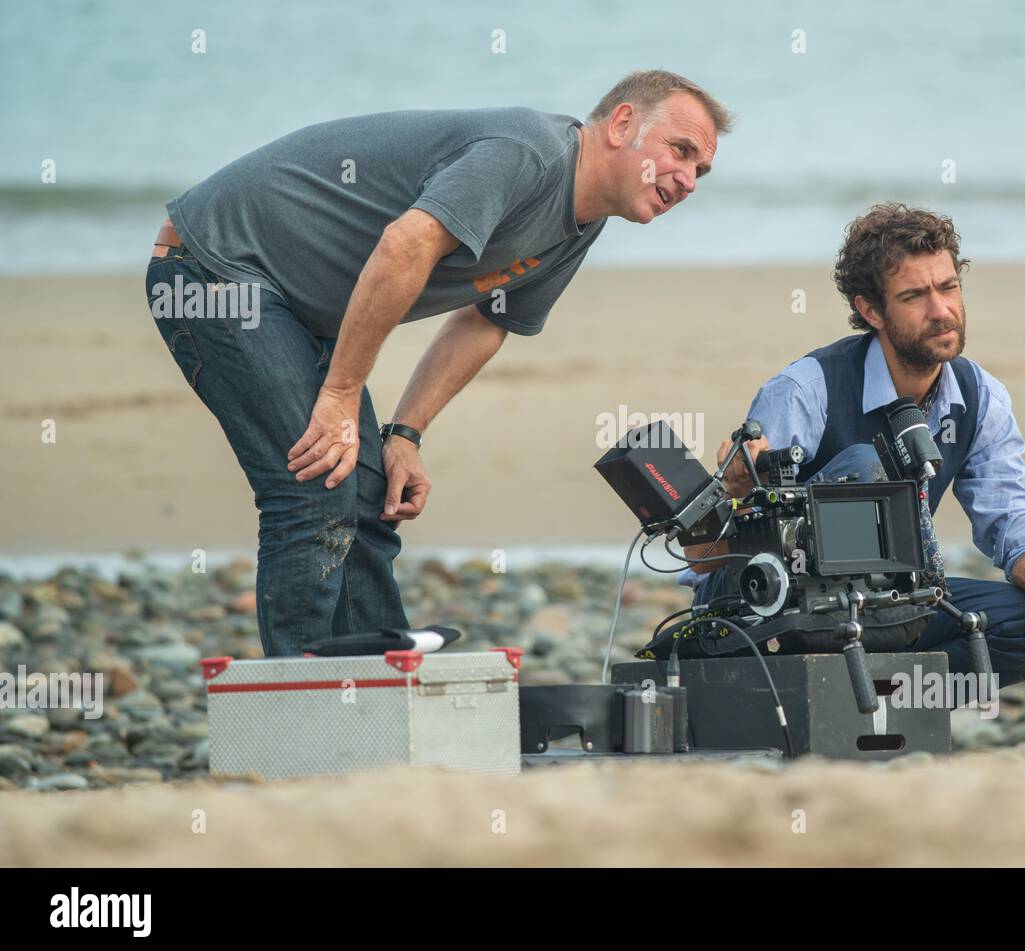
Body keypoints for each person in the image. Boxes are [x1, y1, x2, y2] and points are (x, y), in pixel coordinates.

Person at [145, 70, 732, 655]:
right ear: (623, 124)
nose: (688, 180)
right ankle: (309, 714)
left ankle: (377, 703)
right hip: (216, 265)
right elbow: (406, 243)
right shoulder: (527, 154)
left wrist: (404, 434)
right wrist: (341, 392)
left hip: (301, 307)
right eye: (680, 151)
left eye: (700, 171)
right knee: (315, 486)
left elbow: (487, 320)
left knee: (372, 498)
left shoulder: (582, 222)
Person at [683, 203, 1025, 689]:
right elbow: (704, 557)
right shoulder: (805, 390)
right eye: (915, 296)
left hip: (889, 604)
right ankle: (831, 688)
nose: (941, 312)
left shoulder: (981, 395)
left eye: (948, 287)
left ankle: (884, 699)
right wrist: (732, 492)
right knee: (863, 466)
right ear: (871, 310)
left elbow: (1009, 518)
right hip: (773, 606)